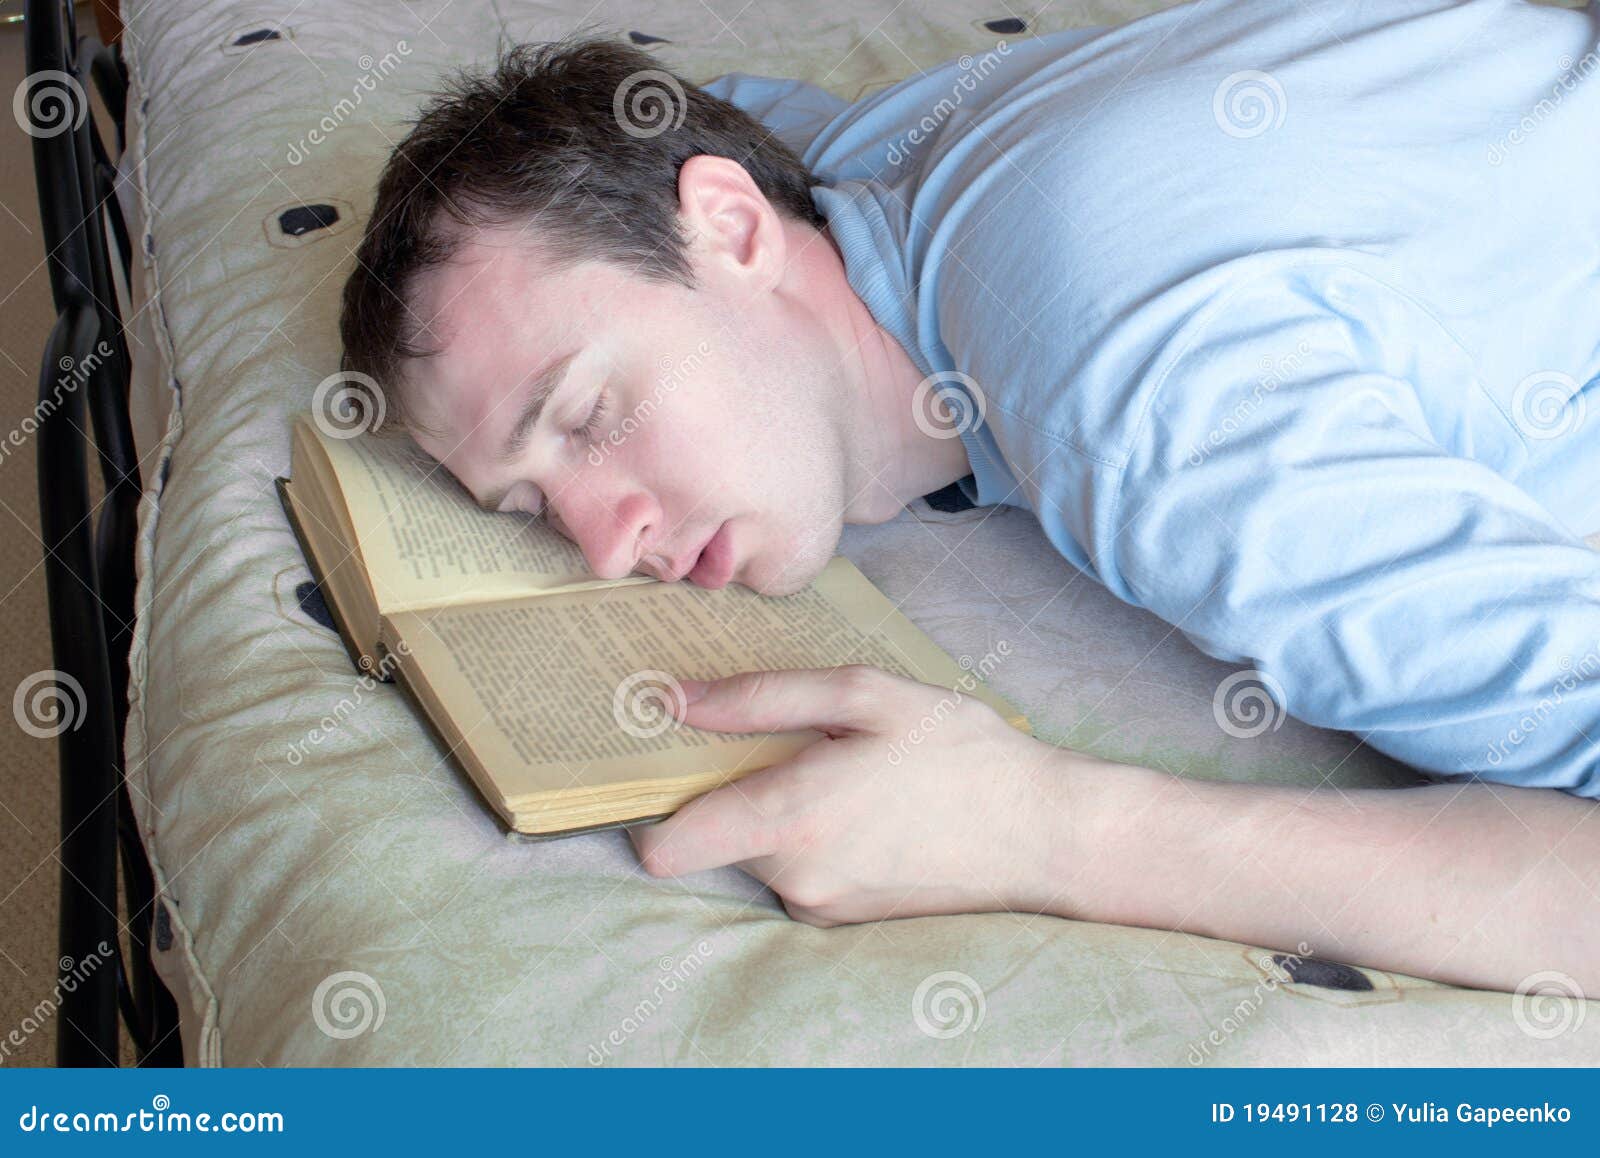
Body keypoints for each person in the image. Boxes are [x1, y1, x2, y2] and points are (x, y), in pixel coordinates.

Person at [337, 0, 1600, 994]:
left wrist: (1040, 827)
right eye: (529, 507)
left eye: (586, 416)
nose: (608, 546)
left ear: (730, 228)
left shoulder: (1132, 401)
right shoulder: (856, 167)